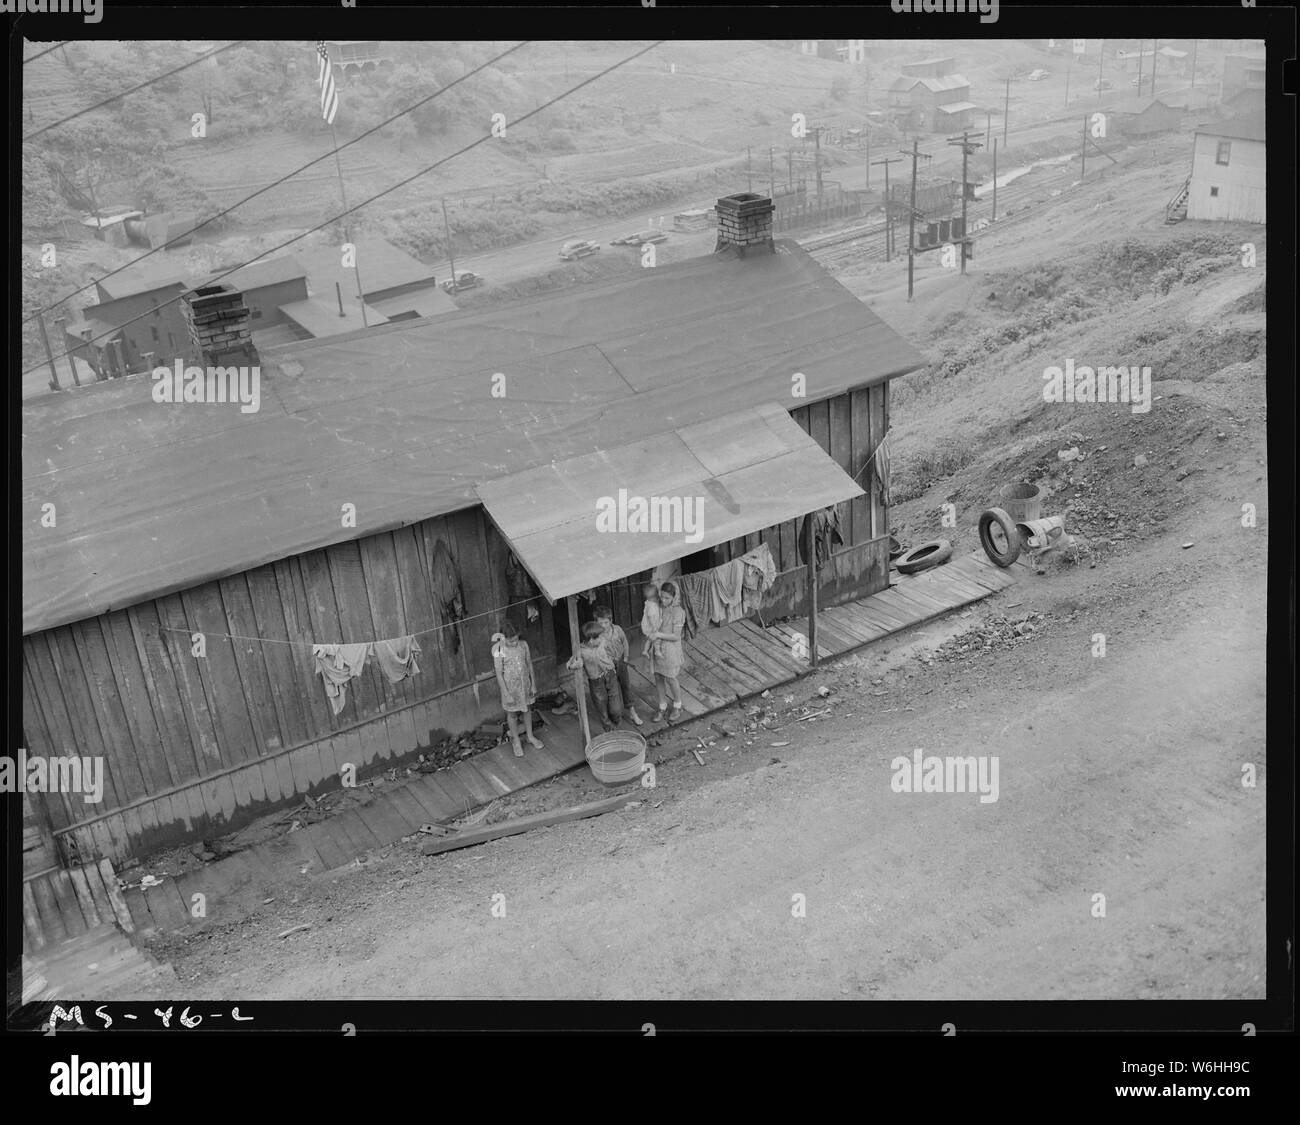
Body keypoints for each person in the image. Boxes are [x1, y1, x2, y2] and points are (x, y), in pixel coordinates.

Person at [492, 623, 543, 757]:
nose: (514, 643)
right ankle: (516, 741)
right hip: (510, 689)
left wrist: (533, 684)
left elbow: (529, 664)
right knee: (512, 714)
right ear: (503, 638)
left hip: (524, 685)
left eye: (516, 639)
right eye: (511, 640)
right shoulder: (498, 650)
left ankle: (530, 736)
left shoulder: (523, 645)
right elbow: (499, 674)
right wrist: (506, 694)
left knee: (527, 710)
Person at [567, 620, 623, 731]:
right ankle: (608, 728)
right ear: (591, 640)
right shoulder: (581, 651)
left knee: (615, 707)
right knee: (601, 705)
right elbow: (569, 664)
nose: (602, 638)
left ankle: (616, 720)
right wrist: (574, 665)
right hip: (596, 682)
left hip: (610, 675)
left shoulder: (602, 642)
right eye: (599, 637)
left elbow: (613, 649)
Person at [593, 604, 643, 726]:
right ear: (596, 622)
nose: (603, 626)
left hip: (621, 661)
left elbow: (625, 643)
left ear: (611, 620)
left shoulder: (617, 630)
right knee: (612, 691)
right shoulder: (596, 636)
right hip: (609, 667)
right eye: (600, 623)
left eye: (606, 622)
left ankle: (632, 712)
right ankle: (614, 715)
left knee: (626, 686)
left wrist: (625, 657)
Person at [647, 580, 685, 723]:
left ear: (674, 597)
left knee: (670, 678)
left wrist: (658, 635)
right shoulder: (658, 608)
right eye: (662, 596)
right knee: (658, 677)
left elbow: (676, 636)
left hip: (670, 649)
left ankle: (677, 705)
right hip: (657, 646)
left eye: (667, 598)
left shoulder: (678, 612)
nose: (663, 600)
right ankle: (662, 706)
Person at [640, 583, 662, 666]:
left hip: (647, 625)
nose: (651, 599)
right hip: (650, 625)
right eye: (649, 598)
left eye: (652, 597)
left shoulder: (649, 602)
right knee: (656, 637)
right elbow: (651, 617)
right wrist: (654, 627)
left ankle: (645, 651)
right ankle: (657, 651)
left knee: (649, 639)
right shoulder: (652, 605)